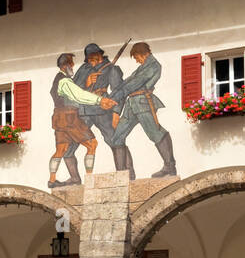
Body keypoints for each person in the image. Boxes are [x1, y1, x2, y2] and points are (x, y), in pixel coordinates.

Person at [48, 53, 117, 187]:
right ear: (65, 65)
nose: (73, 66)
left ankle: (51, 180)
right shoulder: (64, 81)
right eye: (71, 64)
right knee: (92, 144)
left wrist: (86, 85)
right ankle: (89, 178)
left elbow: (75, 93)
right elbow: (78, 95)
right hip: (69, 117)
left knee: (61, 149)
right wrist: (100, 100)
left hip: (59, 118)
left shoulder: (58, 80)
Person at [108, 42, 176, 178]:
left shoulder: (154, 65)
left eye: (136, 57)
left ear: (143, 53)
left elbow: (134, 84)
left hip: (143, 103)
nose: (137, 60)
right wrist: (111, 93)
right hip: (131, 105)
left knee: (156, 134)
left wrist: (114, 97)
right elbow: (126, 82)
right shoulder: (142, 67)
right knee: (117, 137)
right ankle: (122, 174)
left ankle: (170, 167)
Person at [72, 43, 128, 170]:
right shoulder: (84, 69)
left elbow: (119, 92)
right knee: (72, 141)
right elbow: (73, 88)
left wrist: (116, 113)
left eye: (93, 56)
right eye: (89, 58)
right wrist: (86, 83)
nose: (91, 60)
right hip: (84, 110)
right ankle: (74, 178)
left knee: (115, 140)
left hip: (102, 109)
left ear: (99, 54)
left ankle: (125, 172)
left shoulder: (111, 68)